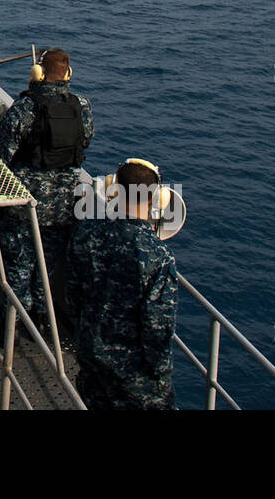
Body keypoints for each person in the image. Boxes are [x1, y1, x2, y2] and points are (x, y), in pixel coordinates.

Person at [0, 47, 93, 330]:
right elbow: (84, 141)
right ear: (68, 73)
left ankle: (13, 325)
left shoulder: (26, 108)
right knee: (46, 267)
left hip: (25, 204)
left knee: (18, 266)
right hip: (62, 207)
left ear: (37, 73)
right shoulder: (81, 105)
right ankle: (44, 321)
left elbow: (2, 151)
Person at [64, 158, 178, 409]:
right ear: (155, 199)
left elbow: (72, 298)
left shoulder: (87, 233)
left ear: (115, 192)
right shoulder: (157, 256)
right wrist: (159, 375)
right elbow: (158, 330)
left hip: (91, 356)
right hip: (133, 375)